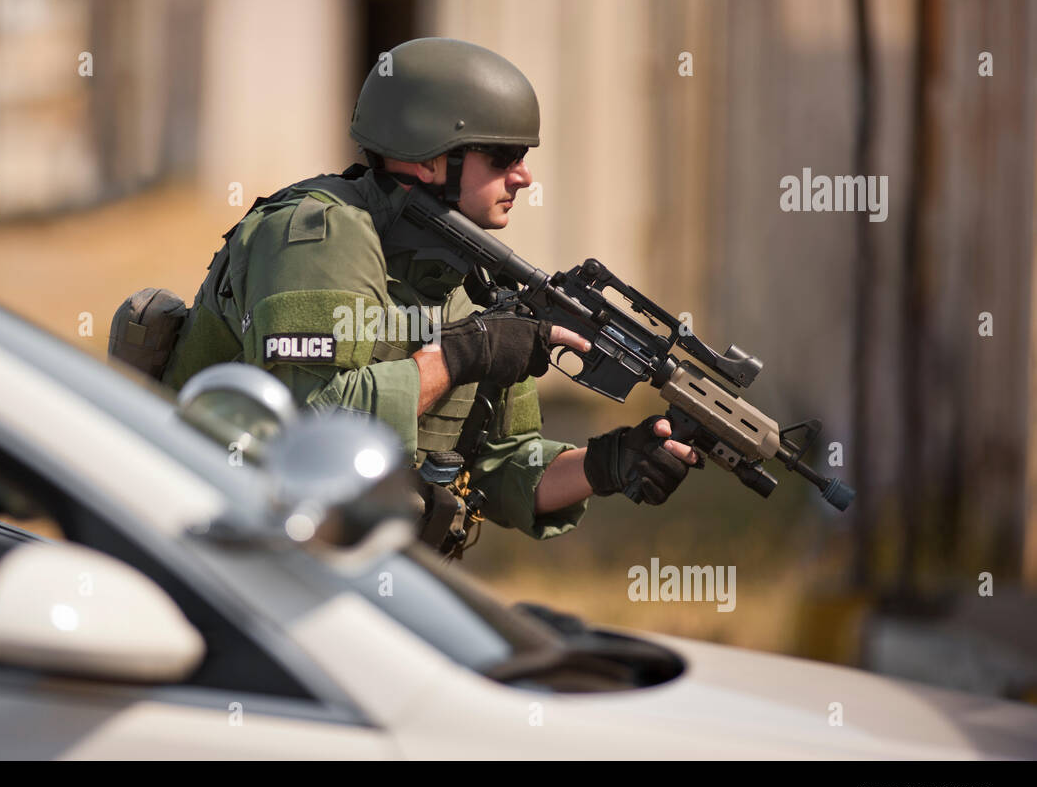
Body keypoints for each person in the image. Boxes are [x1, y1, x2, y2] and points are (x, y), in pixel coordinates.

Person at [164, 37, 699, 554]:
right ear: (428, 160)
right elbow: (316, 435)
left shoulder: (471, 278)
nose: (525, 176)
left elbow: (502, 467)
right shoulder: (320, 235)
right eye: (503, 155)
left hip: (353, 564)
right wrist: (463, 354)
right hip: (234, 547)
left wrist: (607, 464)